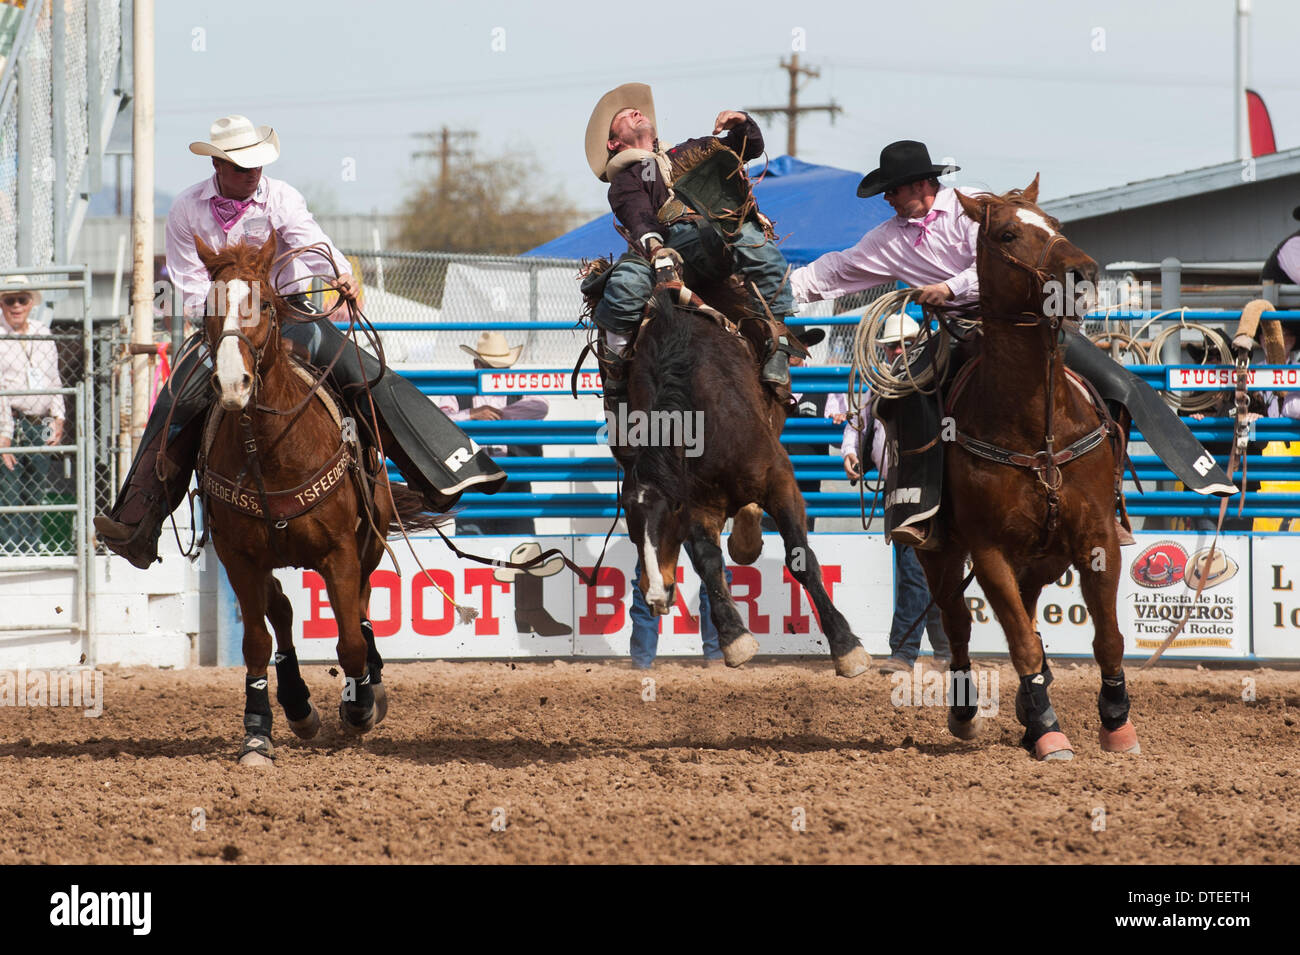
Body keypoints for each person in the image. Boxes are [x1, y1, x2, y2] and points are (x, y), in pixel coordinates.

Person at [94, 114, 505, 568]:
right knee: (174, 403)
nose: (252, 174)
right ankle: (136, 522)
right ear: (218, 167)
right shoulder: (186, 209)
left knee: (365, 372)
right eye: (241, 166)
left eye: (256, 166)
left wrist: (340, 276)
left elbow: (314, 244)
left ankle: (446, 468)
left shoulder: (282, 197)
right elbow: (186, 284)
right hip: (222, 323)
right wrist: (226, 322)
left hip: (288, 312)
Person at [789, 139, 1235, 550]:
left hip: (1025, 324)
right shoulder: (887, 240)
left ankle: (1111, 500)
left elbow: (1008, 261)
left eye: (891, 189)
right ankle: (919, 508)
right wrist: (774, 289)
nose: (886, 198)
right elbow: (833, 271)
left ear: (919, 184)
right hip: (959, 332)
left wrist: (948, 286)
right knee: (902, 400)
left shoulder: (982, 210)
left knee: (1119, 384)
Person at [583, 83, 804, 398]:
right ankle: (617, 372)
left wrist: (741, 122)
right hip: (665, 249)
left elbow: (748, 149)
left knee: (751, 237)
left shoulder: (689, 151)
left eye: (635, 110)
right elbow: (639, 215)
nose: (634, 111)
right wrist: (657, 248)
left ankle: (779, 342)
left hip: (715, 235)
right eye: (623, 117)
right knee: (625, 283)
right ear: (614, 142)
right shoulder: (628, 179)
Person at [839, 314, 950, 673]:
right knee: (922, 568)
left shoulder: (932, 380)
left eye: (902, 344)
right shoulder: (881, 385)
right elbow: (860, 422)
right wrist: (851, 451)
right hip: (899, 486)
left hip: (927, 485)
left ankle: (903, 652)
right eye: (891, 346)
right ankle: (945, 647)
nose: (896, 351)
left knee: (914, 567)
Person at [433, 331, 549, 536]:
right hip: (473, 483)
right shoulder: (459, 389)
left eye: (504, 369)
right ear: (477, 366)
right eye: (493, 368)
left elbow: (541, 406)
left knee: (519, 546)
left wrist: (501, 415)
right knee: (473, 546)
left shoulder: (519, 386)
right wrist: (472, 414)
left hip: (513, 483)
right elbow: (439, 420)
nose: (499, 375)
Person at [0, 276, 64, 554]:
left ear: (30, 303)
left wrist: (58, 418)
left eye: (21, 299)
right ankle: (10, 552)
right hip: (11, 421)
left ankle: (31, 549)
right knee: (9, 495)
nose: (16, 305)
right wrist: (3, 435)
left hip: (41, 422)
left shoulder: (41, 332)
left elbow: (54, 378)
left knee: (35, 493)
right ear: (1, 304)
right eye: (9, 300)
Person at [629, 541, 730, 669]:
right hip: (687, 522)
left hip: (660, 525)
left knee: (649, 581)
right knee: (714, 575)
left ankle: (642, 660)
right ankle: (716, 654)